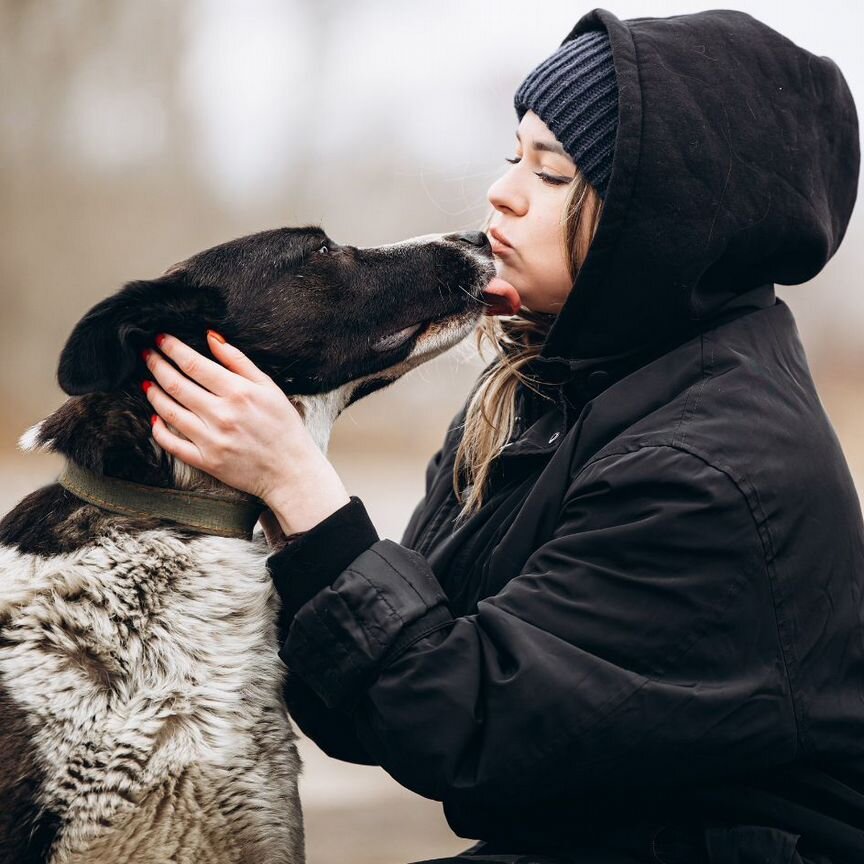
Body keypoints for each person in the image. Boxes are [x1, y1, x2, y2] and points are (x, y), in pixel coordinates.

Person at [141, 8, 863, 864]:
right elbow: (371, 705)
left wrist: (301, 491)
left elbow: (466, 723)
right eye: (513, 155)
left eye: (552, 173)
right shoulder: (542, 394)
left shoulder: (710, 469)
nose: (502, 192)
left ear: (664, 224)